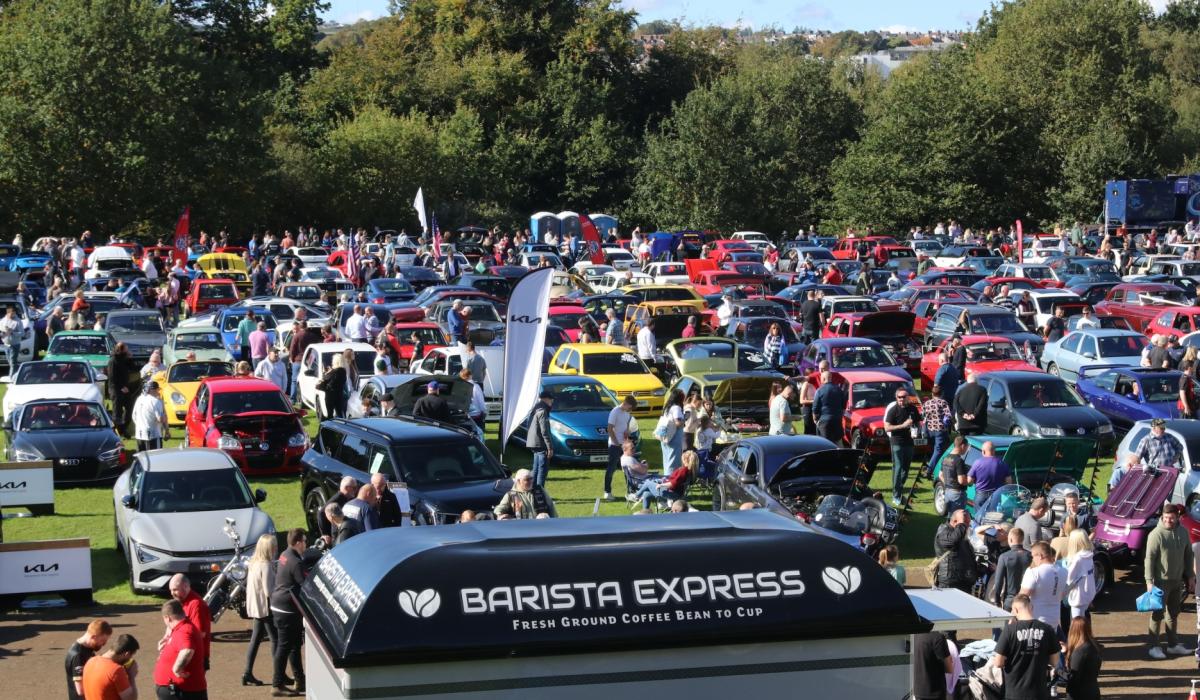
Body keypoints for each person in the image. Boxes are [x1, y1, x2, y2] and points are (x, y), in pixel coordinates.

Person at [1145, 503, 1195, 659]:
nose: (1168, 521)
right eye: (1165, 518)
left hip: (1177, 580)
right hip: (1160, 582)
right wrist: (1149, 581)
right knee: (1157, 614)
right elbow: (1149, 560)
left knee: (1173, 613)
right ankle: (1153, 646)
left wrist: (1191, 577)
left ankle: (1173, 645)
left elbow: (1188, 556)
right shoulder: (1155, 535)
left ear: (1177, 517)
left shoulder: (1183, 532)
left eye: (1171, 518)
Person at [992, 594, 1059, 700]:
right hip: (1039, 692)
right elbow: (1055, 662)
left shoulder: (1009, 630)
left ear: (1015, 610)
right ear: (1031, 607)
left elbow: (998, 662)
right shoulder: (1047, 629)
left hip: (1015, 693)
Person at [270, 529, 308, 695]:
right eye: (305, 541)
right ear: (298, 542)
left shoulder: (285, 554)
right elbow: (305, 585)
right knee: (285, 646)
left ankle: (300, 681)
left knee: (293, 645)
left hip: (279, 604)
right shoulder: (296, 562)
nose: (306, 544)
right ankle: (277, 684)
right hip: (287, 609)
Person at [241, 533, 278, 687]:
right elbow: (269, 591)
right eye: (274, 546)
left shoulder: (254, 562)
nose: (276, 548)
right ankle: (279, 674)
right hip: (265, 607)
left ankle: (247, 672)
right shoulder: (266, 565)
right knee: (276, 640)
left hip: (256, 607)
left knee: (255, 640)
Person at [154, 599, 206, 699]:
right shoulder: (180, 628)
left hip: (183, 691)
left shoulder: (184, 630)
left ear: (167, 618)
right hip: (179, 690)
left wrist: (176, 669)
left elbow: (187, 650)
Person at [167, 575, 210, 671]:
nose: (172, 593)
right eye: (171, 590)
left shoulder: (196, 605)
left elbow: (200, 634)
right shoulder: (181, 601)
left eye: (175, 590)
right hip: (184, 653)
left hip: (194, 657)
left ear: (186, 587)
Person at [883, 387, 919, 505]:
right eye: (899, 397)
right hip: (897, 442)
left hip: (909, 442)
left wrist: (917, 430)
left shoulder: (913, 409)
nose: (901, 399)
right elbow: (887, 427)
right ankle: (896, 495)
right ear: (896, 398)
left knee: (906, 469)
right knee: (898, 468)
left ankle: (898, 487)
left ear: (908, 397)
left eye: (904, 397)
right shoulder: (893, 410)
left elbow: (917, 422)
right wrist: (903, 426)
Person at [1019, 542, 1065, 630]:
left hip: (1036, 621)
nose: (1032, 559)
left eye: (1033, 556)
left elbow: (1022, 596)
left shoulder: (1033, 572)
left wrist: (1013, 615)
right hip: (1054, 619)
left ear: (1040, 556)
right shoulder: (1064, 572)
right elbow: (1062, 594)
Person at [630, 450, 697, 511]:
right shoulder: (690, 470)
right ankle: (645, 513)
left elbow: (673, 483)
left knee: (648, 483)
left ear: (685, 459)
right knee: (646, 494)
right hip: (675, 492)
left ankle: (636, 496)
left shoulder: (683, 470)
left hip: (671, 493)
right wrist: (664, 480)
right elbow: (675, 480)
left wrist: (661, 485)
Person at [82, 633, 140, 700]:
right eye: (130, 656)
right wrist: (131, 676)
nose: (130, 659)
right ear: (126, 654)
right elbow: (131, 699)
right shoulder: (116, 670)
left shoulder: (91, 661)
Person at [66, 619, 113, 700]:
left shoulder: (87, 649)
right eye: (102, 641)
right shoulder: (78, 655)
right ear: (93, 637)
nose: (103, 644)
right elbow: (80, 690)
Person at [934, 509, 977, 593]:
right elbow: (952, 541)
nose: (967, 526)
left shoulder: (960, 534)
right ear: (955, 521)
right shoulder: (944, 531)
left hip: (963, 582)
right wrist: (962, 523)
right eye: (966, 523)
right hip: (950, 584)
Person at [989, 527, 1032, 613]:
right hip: (1027, 600)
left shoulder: (1004, 557)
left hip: (1010, 600)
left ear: (1010, 539)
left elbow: (999, 582)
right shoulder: (1031, 556)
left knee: (1006, 626)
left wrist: (997, 601)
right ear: (1022, 539)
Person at [603, 395, 637, 501]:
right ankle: (607, 492)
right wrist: (616, 442)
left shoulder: (626, 413)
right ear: (626, 403)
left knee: (628, 467)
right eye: (630, 407)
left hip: (624, 445)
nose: (629, 410)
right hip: (614, 445)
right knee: (611, 468)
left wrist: (627, 432)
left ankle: (631, 492)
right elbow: (609, 428)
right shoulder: (615, 411)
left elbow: (626, 426)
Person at [1064, 616, 1102, 700]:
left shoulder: (1079, 652)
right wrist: (1066, 652)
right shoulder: (1094, 646)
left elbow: (1073, 678)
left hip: (1079, 694)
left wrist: (1057, 671)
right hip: (1093, 690)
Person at [1064, 529, 1097, 620]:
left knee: (1077, 624)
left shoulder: (1077, 559)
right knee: (1084, 621)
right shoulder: (1089, 555)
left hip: (1078, 597)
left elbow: (1068, 579)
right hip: (1088, 594)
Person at [967, 440, 1011, 509]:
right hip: (996, 496)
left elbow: (969, 481)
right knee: (993, 518)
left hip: (981, 495)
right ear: (994, 451)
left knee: (979, 517)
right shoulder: (1002, 463)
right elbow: (1009, 482)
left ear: (983, 451)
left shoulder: (977, 463)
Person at [911, 630, 953, 700]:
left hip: (918, 691)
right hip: (934, 692)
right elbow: (949, 668)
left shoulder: (914, 635)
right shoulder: (938, 637)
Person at [106, 342, 137, 437]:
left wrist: (130, 358)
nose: (127, 350)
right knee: (117, 412)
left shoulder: (125, 359)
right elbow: (112, 377)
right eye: (126, 349)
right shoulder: (113, 361)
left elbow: (134, 369)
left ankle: (123, 428)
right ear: (121, 349)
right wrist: (121, 387)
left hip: (125, 389)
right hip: (116, 389)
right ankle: (119, 431)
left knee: (130, 409)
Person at [526, 389, 555, 488]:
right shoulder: (543, 410)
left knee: (536, 469)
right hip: (540, 443)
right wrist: (549, 447)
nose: (552, 402)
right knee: (542, 470)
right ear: (546, 399)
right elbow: (544, 431)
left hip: (533, 442)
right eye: (551, 400)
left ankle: (532, 490)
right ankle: (540, 493)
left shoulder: (536, 408)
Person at [131, 380, 169, 452]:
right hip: (154, 435)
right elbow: (160, 419)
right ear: (152, 390)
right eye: (157, 389)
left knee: (141, 458)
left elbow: (134, 416)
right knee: (156, 458)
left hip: (139, 434)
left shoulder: (139, 399)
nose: (158, 392)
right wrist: (166, 430)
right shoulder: (156, 401)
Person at [318, 476, 358, 545]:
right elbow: (321, 513)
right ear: (346, 488)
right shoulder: (337, 499)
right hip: (335, 533)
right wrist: (324, 534)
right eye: (354, 488)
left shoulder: (348, 497)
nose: (356, 490)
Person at [922, 385, 952, 470]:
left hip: (929, 429)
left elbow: (922, 415)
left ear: (932, 394)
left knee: (934, 449)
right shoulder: (943, 402)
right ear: (941, 394)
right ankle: (929, 469)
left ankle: (933, 465)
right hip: (940, 429)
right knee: (938, 450)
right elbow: (948, 416)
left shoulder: (927, 403)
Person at [658, 389, 686, 476]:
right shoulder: (676, 408)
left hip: (665, 436)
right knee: (673, 462)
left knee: (666, 459)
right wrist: (685, 419)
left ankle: (667, 478)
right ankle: (671, 480)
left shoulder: (668, 407)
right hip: (674, 437)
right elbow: (677, 423)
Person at [813, 371, 846, 443]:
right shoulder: (839, 389)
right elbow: (844, 405)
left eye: (821, 378)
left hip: (824, 420)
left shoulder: (819, 390)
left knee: (825, 443)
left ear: (824, 379)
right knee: (838, 441)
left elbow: (815, 407)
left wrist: (815, 418)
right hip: (837, 419)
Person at [939, 436, 969, 516]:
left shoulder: (946, 458)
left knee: (951, 518)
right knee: (958, 518)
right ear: (963, 446)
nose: (966, 450)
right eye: (966, 447)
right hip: (957, 494)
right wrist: (970, 482)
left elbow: (940, 475)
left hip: (948, 492)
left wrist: (948, 484)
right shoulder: (959, 461)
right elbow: (961, 481)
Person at [316, 353, 348, 419]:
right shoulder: (343, 371)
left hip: (330, 396)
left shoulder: (334, 372)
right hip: (339, 395)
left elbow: (328, 384)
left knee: (330, 415)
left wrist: (325, 374)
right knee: (339, 413)